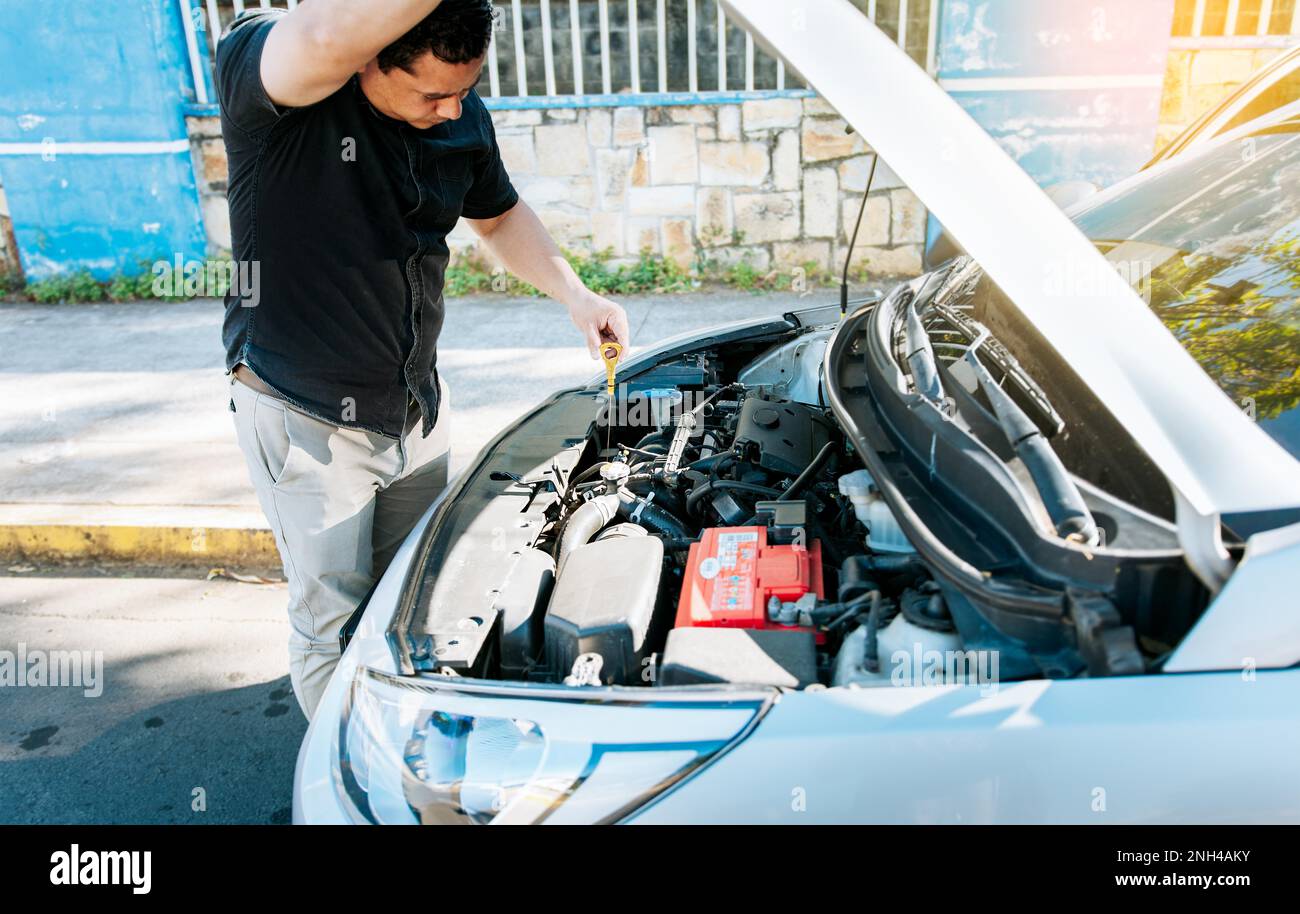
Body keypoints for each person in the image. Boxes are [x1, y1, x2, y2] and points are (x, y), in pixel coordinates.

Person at [215, 0, 629, 718]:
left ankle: (405, 728)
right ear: (371, 56)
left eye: (463, 91)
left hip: (413, 409)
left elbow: (496, 213)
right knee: (332, 627)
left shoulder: (456, 112)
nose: (451, 109)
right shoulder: (278, 87)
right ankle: (352, 786)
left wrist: (576, 295)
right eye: (432, 94)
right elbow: (321, 32)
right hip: (306, 417)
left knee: (413, 597)